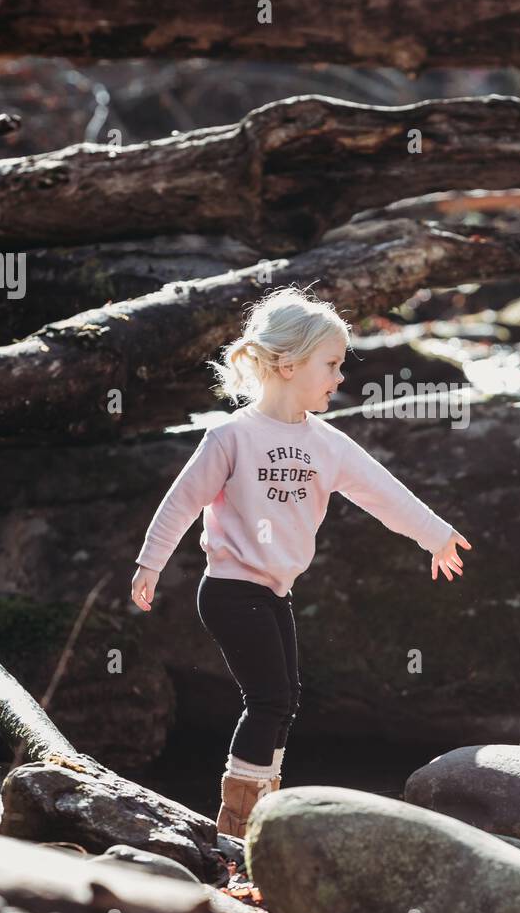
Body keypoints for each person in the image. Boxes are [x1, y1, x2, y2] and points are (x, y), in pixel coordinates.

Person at [130, 283, 471, 838]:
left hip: (274, 591)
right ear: (287, 364)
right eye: (331, 365)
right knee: (267, 699)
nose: (340, 378)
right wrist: (151, 563)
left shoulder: (327, 443)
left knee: (284, 700)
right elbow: (182, 500)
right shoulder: (232, 437)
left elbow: (381, 492)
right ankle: (239, 824)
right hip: (231, 589)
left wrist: (433, 534)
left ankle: (265, 808)